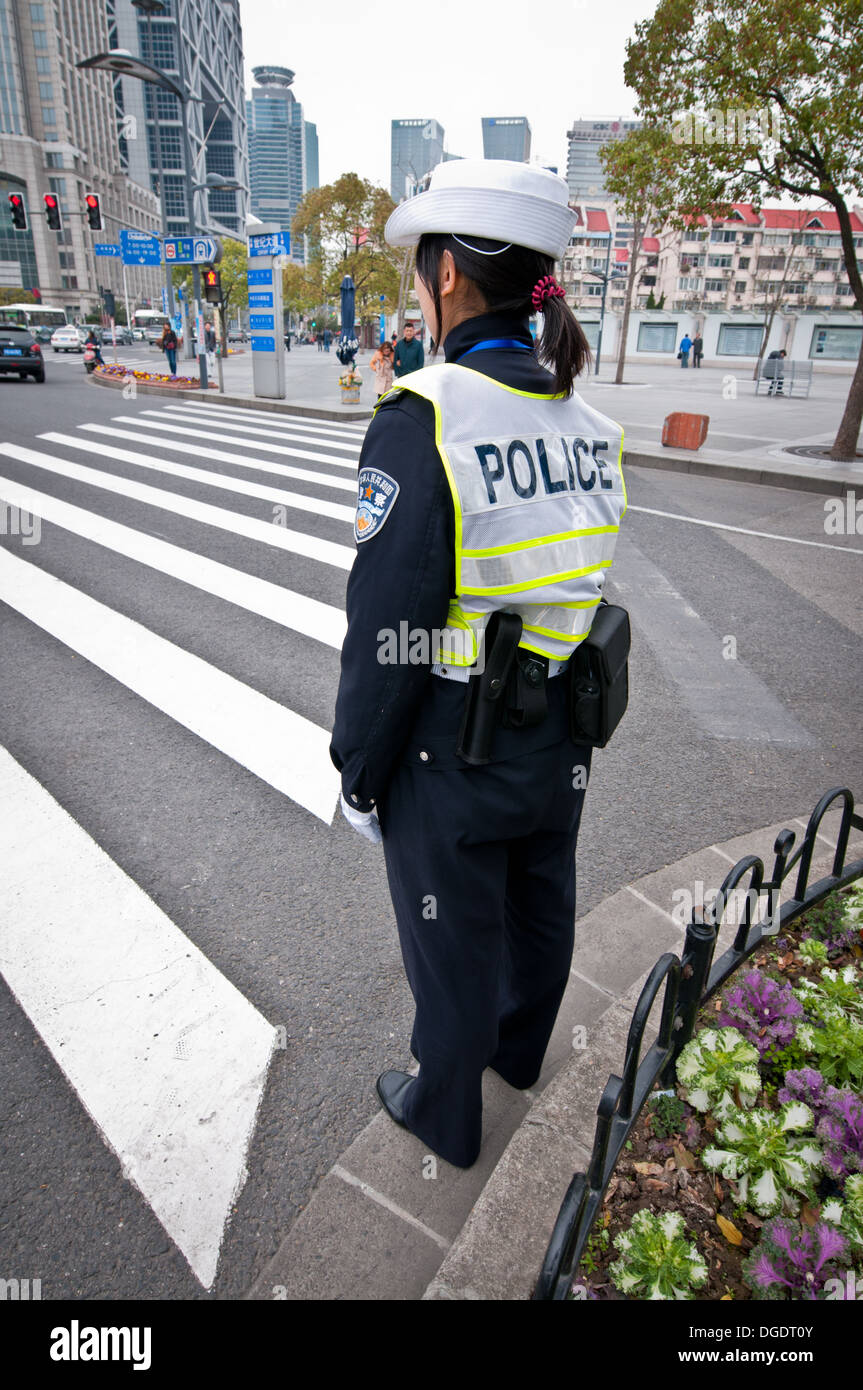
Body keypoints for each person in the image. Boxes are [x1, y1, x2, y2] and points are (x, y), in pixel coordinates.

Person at [329, 158, 627, 1170]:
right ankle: (518, 1055)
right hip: (558, 733)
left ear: (447, 274)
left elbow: (387, 624)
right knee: (537, 905)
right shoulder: (592, 428)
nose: (419, 289)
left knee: (448, 940)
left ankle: (443, 1115)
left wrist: (358, 767)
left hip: (449, 750)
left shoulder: (426, 415)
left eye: (418, 272)